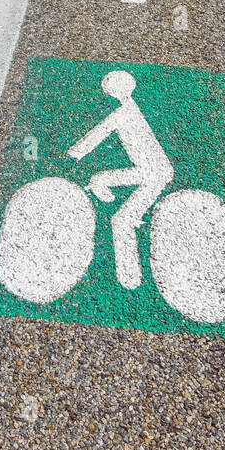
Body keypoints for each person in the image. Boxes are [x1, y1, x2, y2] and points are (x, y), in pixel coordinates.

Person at [67, 70, 174, 290]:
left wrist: (75, 153)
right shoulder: (132, 108)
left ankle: (130, 277)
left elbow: (100, 132)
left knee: (121, 218)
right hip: (153, 170)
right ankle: (131, 274)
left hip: (153, 171)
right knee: (122, 217)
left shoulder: (125, 112)